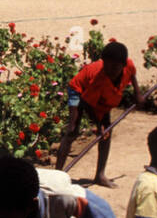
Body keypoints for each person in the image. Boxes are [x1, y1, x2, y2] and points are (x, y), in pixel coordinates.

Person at [55, 41, 145, 186]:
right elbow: (88, 102)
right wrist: (98, 125)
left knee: (106, 134)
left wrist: (138, 94)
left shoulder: (128, 64)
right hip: (78, 91)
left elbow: (133, 75)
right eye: (106, 66)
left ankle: (100, 175)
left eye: (114, 67)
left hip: (100, 99)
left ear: (123, 65)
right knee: (72, 130)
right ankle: (57, 174)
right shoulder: (99, 76)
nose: (109, 70)